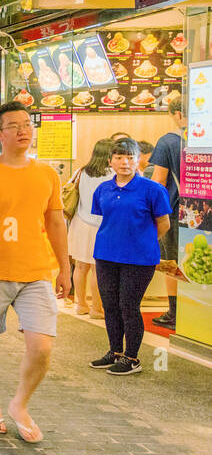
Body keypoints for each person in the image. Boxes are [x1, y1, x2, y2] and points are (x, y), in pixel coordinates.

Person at [0, 102, 70, 443]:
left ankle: (19, 404)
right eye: (14, 126)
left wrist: (65, 268)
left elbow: (56, 222)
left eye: (27, 124)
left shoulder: (47, 174)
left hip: (36, 272)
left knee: (42, 346)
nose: (23, 130)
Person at [88, 137, 171, 376]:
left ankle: (132, 358)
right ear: (110, 161)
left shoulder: (153, 189)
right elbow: (106, 219)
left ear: (138, 160)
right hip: (106, 255)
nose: (125, 162)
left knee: (128, 305)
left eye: (130, 157)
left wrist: (143, 241)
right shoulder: (103, 189)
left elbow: (163, 223)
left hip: (139, 258)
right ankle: (114, 352)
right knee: (110, 304)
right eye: (119, 158)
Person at [66, 138, 113, 318]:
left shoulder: (81, 171)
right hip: (102, 225)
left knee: (80, 266)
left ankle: (81, 305)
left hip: (80, 223)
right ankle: (96, 308)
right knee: (98, 269)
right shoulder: (113, 174)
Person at [149, 94, 184, 328]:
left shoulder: (168, 141)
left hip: (175, 211)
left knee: (172, 261)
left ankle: (175, 313)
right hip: (204, 211)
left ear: (178, 114)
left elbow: (158, 181)